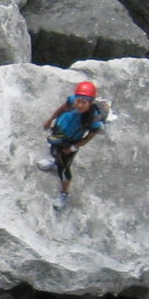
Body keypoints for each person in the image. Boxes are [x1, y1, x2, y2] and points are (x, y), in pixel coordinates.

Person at [40, 79, 106, 213]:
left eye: (84, 102)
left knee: (64, 170)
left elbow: (90, 135)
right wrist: (50, 119)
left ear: (90, 102)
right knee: (54, 152)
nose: (79, 105)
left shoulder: (92, 118)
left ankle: (64, 194)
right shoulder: (71, 101)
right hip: (58, 135)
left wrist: (73, 148)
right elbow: (61, 109)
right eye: (78, 100)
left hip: (70, 143)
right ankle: (55, 161)